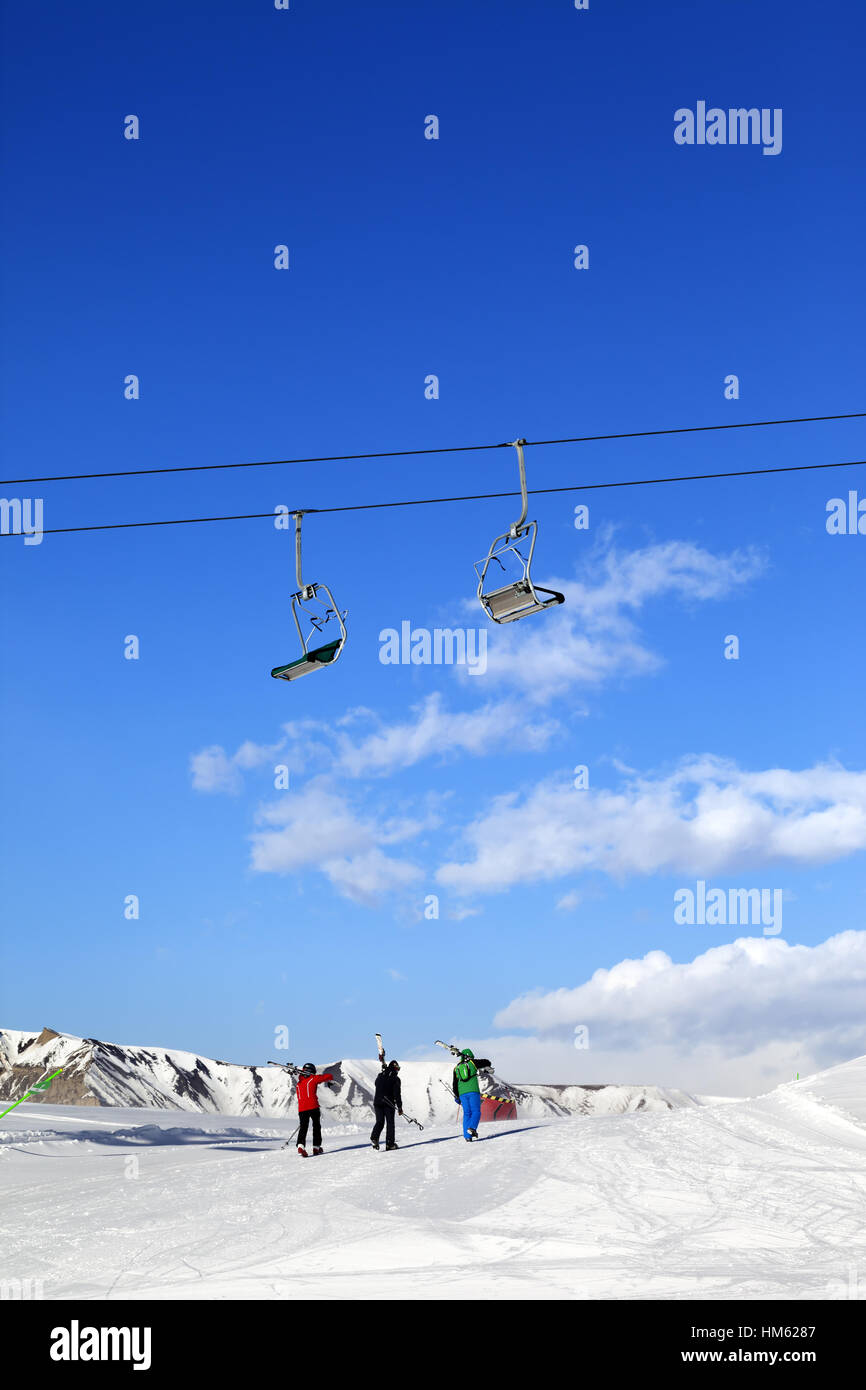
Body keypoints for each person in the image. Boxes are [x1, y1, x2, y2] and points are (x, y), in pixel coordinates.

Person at [452, 1048, 491, 1142]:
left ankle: (467, 1136)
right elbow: (487, 1062)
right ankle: (472, 1128)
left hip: (462, 1094)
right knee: (476, 1111)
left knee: (467, 1114)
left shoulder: (456, 1068)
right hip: (473, 1091)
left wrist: (457, 1096)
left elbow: (454, 1083)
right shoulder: (473, 1063)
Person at [295, 1061, 334, 1156]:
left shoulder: (298, 1083)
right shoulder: (313, 1079)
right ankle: (316, 1147)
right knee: (316, 1127)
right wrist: (330, 1079)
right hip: (313, 1107)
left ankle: (300, 1146)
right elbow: (327, 1076)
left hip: (302, 1109)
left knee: (303, 1127)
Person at [371, 1059, 403, 1151]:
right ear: (394, 1068)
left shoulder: (380, 1075)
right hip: (388, 1103)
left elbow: (376, 1084)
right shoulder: (396, 1079)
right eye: (397, 1068)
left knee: (380, 1122)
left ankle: (374, 1138)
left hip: (377, 1102)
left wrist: (383, 1073)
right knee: (390, 1123)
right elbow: (397, 1094)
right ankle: (390, 1144)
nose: (398, 1071)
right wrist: (400, 1107)